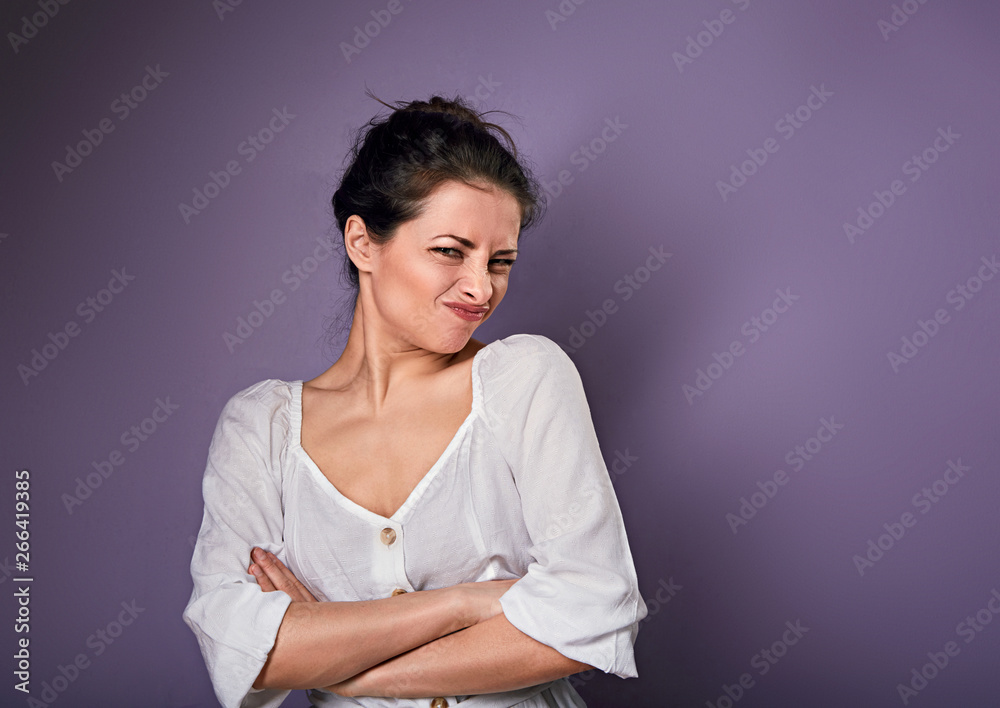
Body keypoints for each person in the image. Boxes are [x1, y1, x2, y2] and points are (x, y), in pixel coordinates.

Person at [182, 93, 647, 708]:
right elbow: (239, 646)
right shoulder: (260, 431)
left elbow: (595, 612)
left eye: (500, 261)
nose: (481, 287)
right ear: (363, 243)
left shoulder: (525, 379)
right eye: (450, 251)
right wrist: (462, 605)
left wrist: (339, 665)